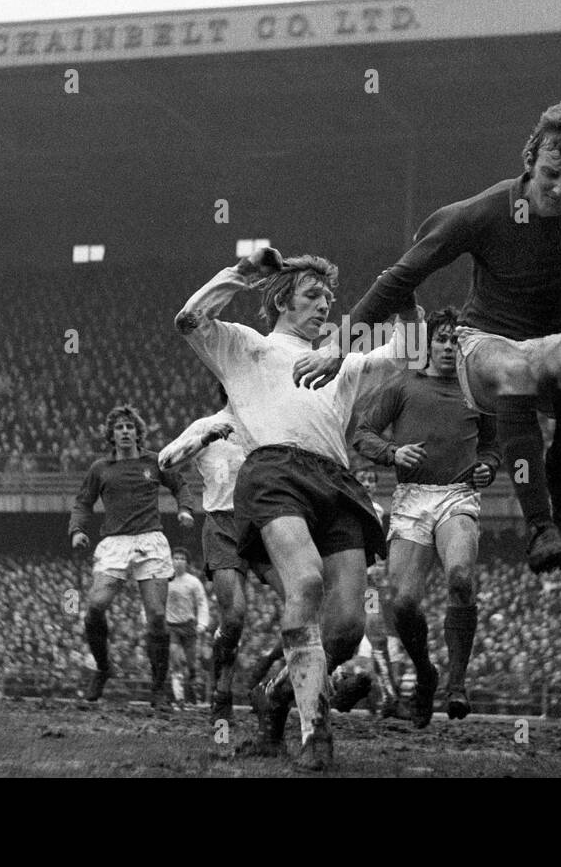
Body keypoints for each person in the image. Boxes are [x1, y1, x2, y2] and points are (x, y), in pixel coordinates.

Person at [292, 99, 561, 574]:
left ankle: (558, 468)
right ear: (530, 160)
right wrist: (337, 346)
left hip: (557, 344)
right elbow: (400, 277)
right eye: (550, 174)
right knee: (514, 370)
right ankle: (539, 526)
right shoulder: (485, 212)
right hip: (484, 344)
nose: (558, 188)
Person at [176, 245, 422, 770]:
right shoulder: (249, 347)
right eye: (313, 295)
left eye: (330, 298)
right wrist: (242, 274)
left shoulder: (343, 362)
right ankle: (316, 732)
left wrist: (405, 289)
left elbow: (410, 349)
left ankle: (274, 692)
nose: (324, 306)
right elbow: (190, 319)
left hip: (337, 481)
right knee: (306, 582)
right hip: (274, 473)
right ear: (284, 301)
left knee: (347, 626)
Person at [352, 305, 501, 724]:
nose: (450, 347)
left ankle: (457, 684)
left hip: (457, 494)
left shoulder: (479, 393)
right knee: (401, 603)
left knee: (461, 578)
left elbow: (492, 447)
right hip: (411, 497)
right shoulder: (403, 386)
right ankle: (425, 672)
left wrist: (488, 466)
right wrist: (393, 452)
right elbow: (362, 433)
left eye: (458, 341)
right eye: (443, 339)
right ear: (430, 343)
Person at [159, 386, 286, 725]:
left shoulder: (269, 426)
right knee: (235, 615)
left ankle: (275, 682)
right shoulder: (208, 425)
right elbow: (164, 461)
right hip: (223, 525)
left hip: (264, 525)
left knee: (302, 600)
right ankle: (222, 692)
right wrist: (204, 440)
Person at [68, 404, 196, 709]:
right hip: (115, 543)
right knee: (95, 608)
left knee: (156, 616)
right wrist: (77, 530)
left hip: (151, 542)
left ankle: (158, 690)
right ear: (111, 434)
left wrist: (185, 509)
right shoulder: (100, 468)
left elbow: (180, 485)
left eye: (129, 427)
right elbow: (83, 503)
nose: (125, 432)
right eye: (119, 428)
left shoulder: (155, 461)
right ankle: (102, 668)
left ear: (138, 432)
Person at [165, 547, 210, 708]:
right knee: (175, 661)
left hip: (189, 626)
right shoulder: (165, 579)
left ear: (187, 562)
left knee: (192, 664)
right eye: (175, 558)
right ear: (171, 560)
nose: (178, 561)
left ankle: (196, 697)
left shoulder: (193, 582)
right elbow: (154, 598)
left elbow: (202, 602)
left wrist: (202, 623)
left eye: (182, 558)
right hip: (172, 626)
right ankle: (179, 698)